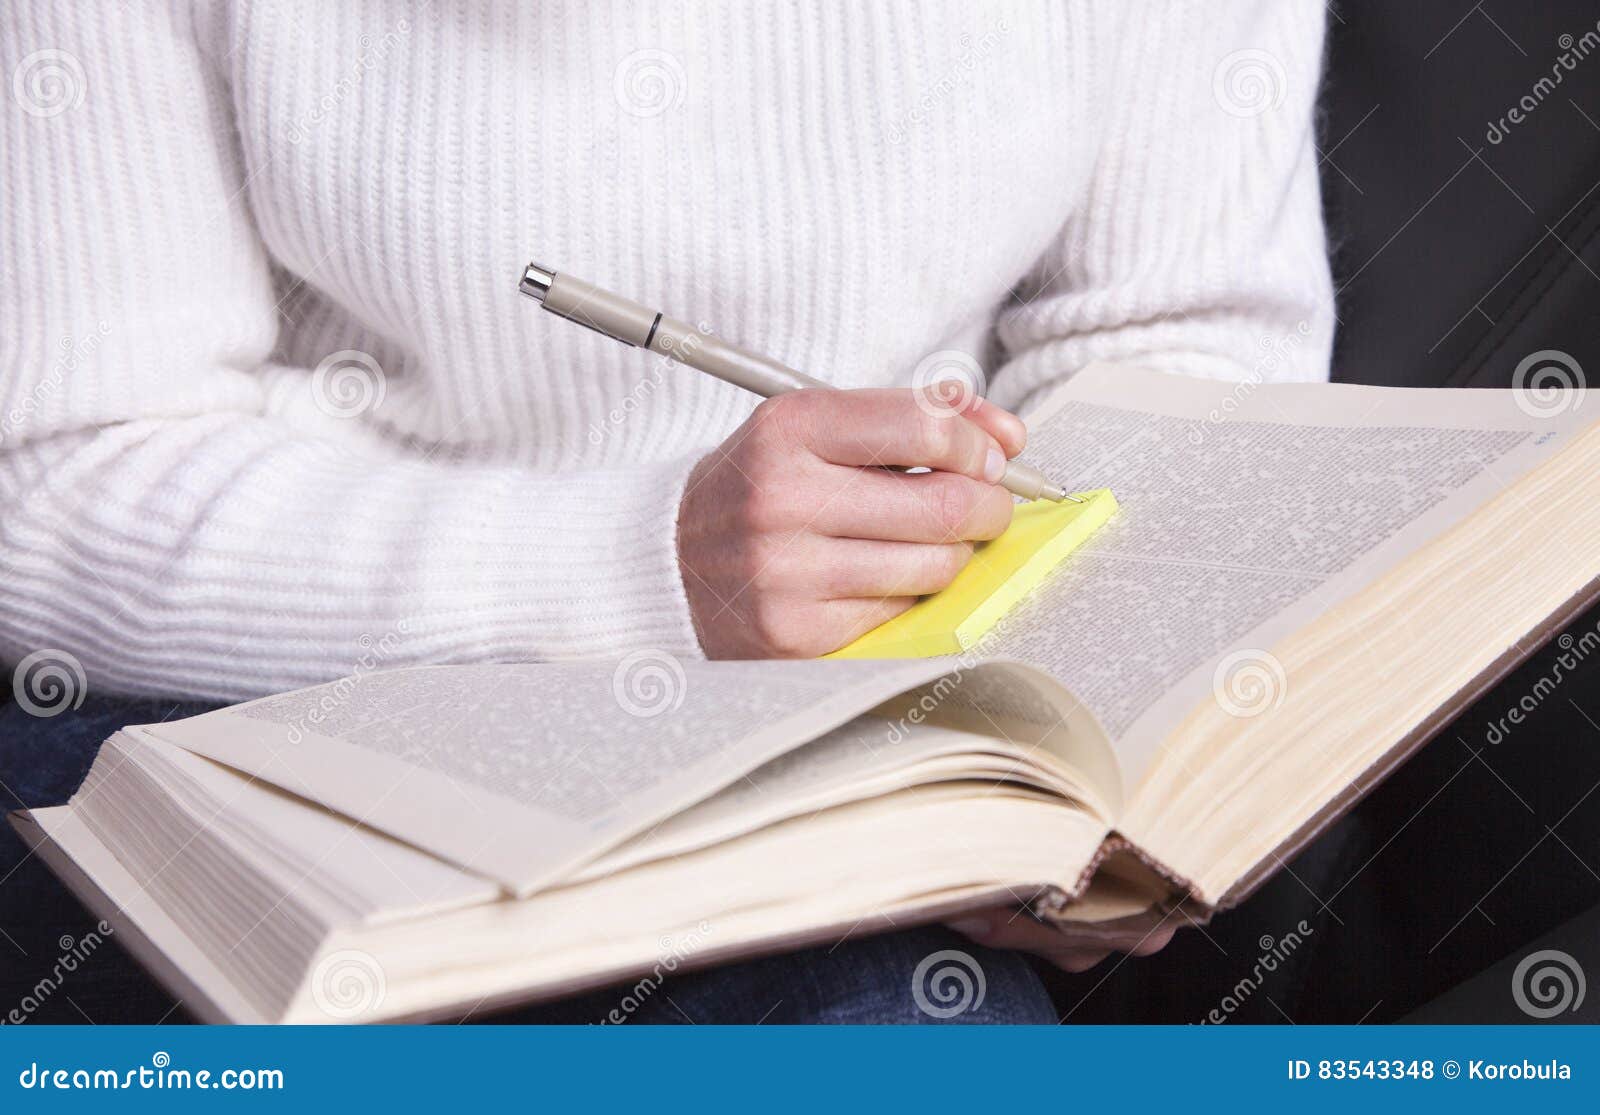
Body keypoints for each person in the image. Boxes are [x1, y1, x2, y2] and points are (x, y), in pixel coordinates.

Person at [0, 0, 1334, 1022]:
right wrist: (642, 577)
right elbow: (57, 482)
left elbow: (1178, 335)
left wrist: (1090, 766)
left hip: (886, 713)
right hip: (276, 696)